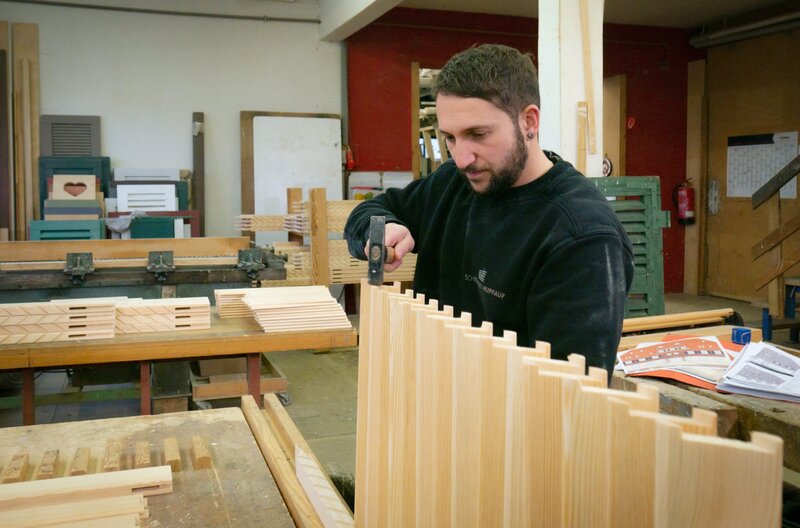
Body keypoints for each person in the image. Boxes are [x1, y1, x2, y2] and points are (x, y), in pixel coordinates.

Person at [344, 44, 634, 374]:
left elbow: (568, 397)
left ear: (529, 121)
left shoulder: (582, 238)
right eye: (450, 138)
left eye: (477, 134)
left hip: (507, 420)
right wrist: (379, 230)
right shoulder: (453, 183)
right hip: (433, 400)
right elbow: (372, 211)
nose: (461, 158)